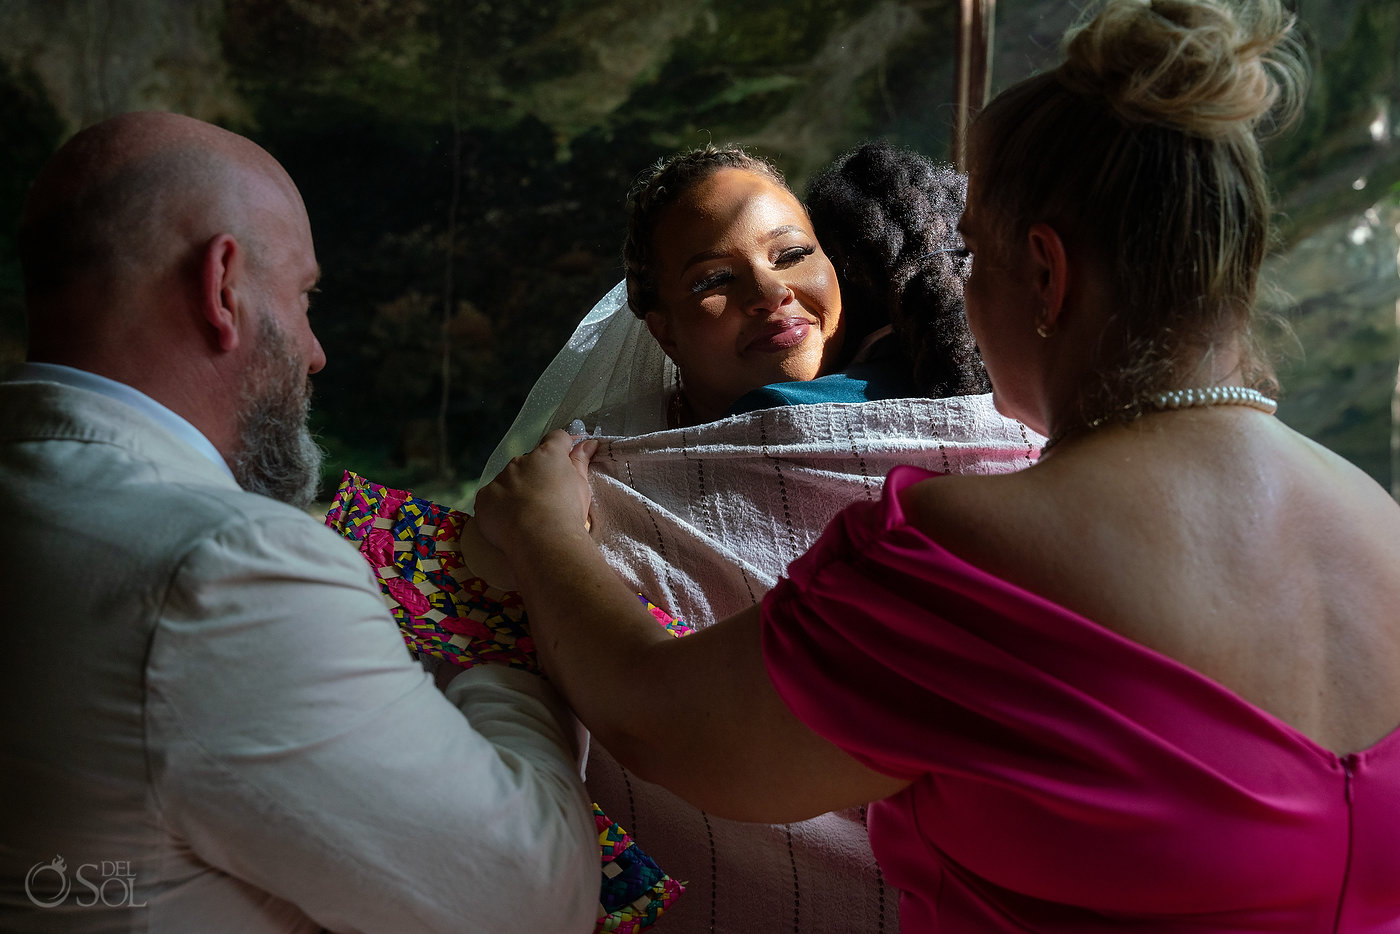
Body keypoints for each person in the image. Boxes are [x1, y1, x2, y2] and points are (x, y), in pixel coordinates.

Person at [473, 1, 1400, 931]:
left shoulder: (970, 549)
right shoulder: (1380, 526)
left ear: (1045, 274)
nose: (952, 295)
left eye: (972, 260)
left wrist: (546, 528)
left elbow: (659, 721)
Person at [0, 112, 597, 933]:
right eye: (305, 296)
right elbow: (534, 904)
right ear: (224, 287)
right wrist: (499, 657)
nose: (316, 350)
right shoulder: (228, 569)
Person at [467, 146, 1038, 932]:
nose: (771, 293)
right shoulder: (592, 480)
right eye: (713, 280)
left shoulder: (970, 418)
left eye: (793, 254)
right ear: (659, 328)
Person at [728, 139, 988, 413]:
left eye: (794, 255)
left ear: (845, 276)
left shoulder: (778, 408)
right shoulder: (1018, 388)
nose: (773, 293)